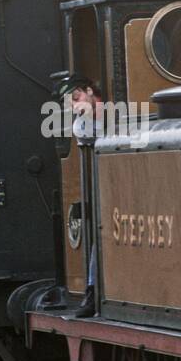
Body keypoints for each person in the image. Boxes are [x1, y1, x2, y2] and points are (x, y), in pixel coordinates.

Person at [70, 81, 103, 318]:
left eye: (76, 97)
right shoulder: (84, 122)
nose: (74, 105)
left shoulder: (114, 114)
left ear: (90, 92)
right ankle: (92, 290)